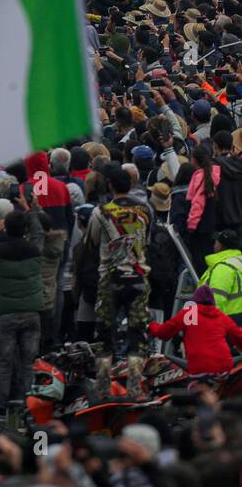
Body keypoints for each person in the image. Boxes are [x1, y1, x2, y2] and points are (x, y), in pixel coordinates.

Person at [86, 170, 153, 397]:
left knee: (104, 334)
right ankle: (135, 387)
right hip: (138, 278)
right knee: (137, 334)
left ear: (111, 186)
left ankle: (103, 387)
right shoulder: (145, 211)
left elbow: (93, 242)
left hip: (109, 280)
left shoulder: (101, 212)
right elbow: (147, 242)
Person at [0, 210, 44, 431]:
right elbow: (39, 234)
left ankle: (0, 415)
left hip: (6, 314)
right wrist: (31, 208)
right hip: (31, 313)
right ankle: (29, 412)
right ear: (25, 230)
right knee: (29, 365)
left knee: (4, 366)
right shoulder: (34, 250)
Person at [198, 230, 242, 326]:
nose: (214, 244)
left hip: (227, 321)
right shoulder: (238, 262)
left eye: (216, 242)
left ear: (220, 246)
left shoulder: (223, 268)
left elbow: (217, 300)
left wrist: (211, 325)